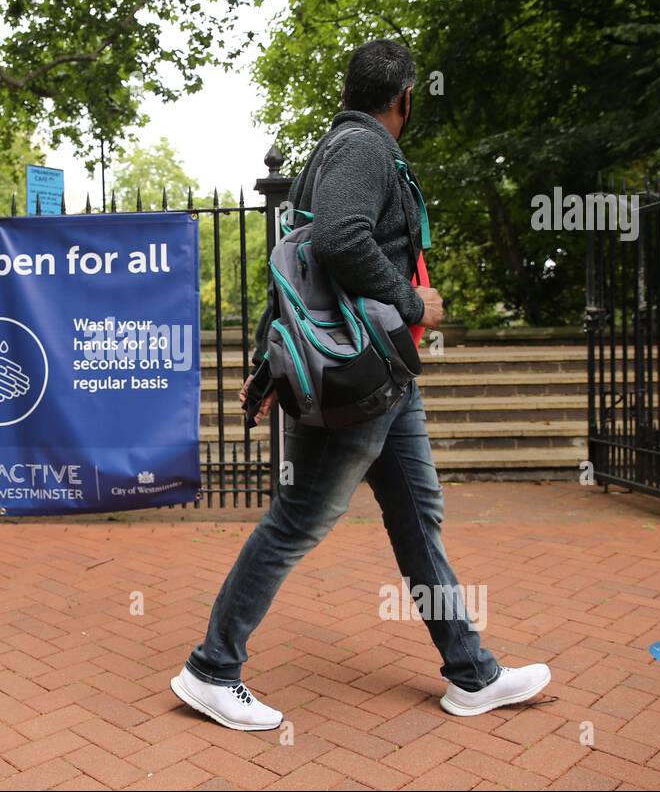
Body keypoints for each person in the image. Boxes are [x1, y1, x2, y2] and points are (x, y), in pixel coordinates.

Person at [171, 39, 550, 731]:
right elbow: (341, 240)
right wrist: (412, 305)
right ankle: (212, 668)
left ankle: (471, 673)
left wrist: (265, 361)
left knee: (416, 516)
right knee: (298, 518)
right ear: (404, 98)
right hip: (361, 380)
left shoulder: (338, 147)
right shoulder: (365, 148)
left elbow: (299, 271)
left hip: (386, 380)